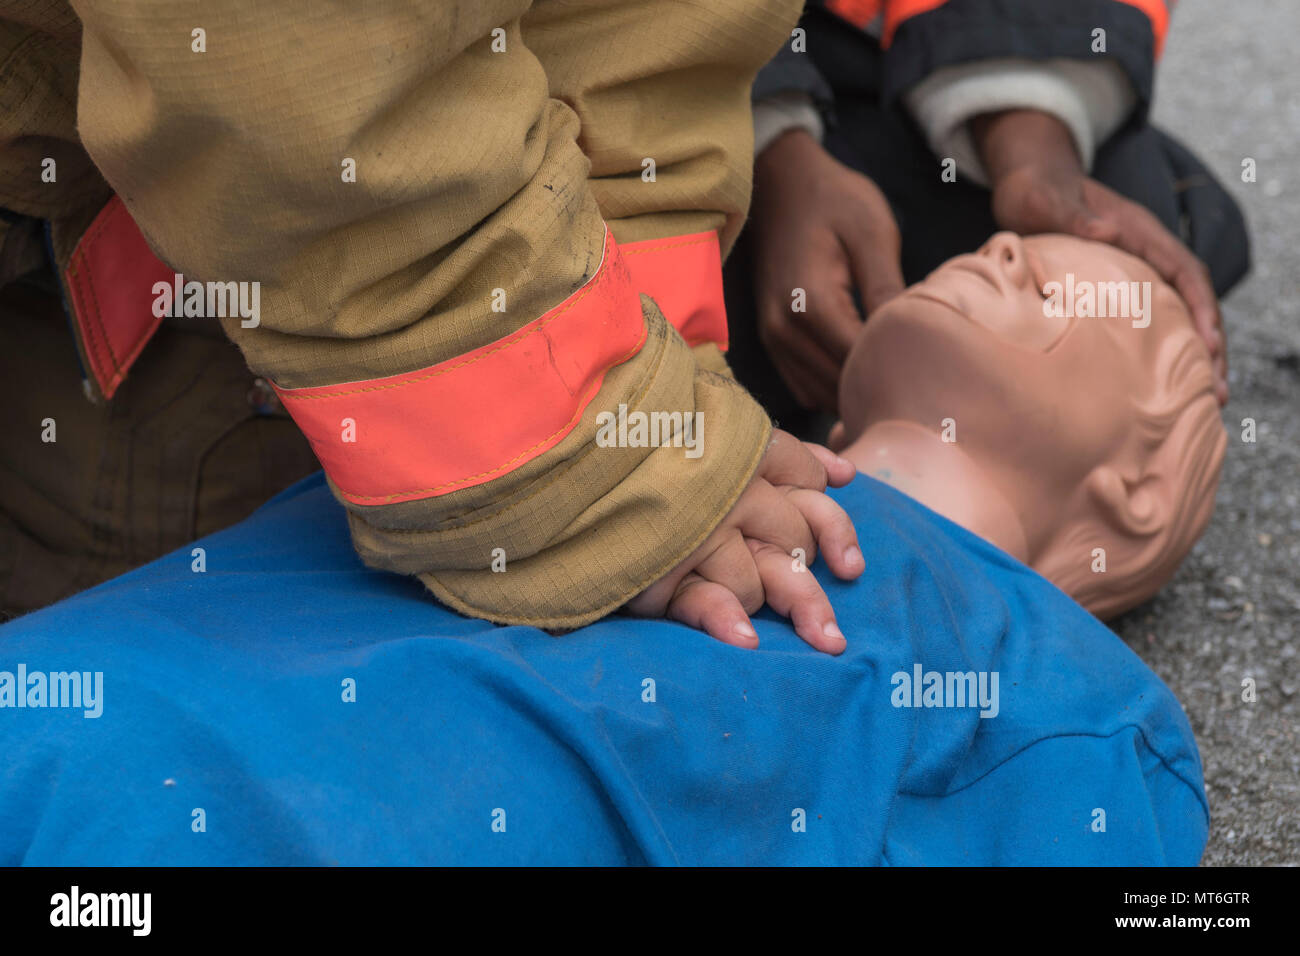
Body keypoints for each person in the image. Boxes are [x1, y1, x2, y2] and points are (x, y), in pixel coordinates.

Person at [0, 0, 863, 650]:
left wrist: (653, 398)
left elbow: (644, 30)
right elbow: (288, 63)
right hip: (222, 293)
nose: (1002, 257)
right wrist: (608, 463)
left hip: (392, 306)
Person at [726, 0, 1250, 435]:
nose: (1006, 248)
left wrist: (1029, 134)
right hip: (695, 84)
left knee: (1130, 233)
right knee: (698, 299)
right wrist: (770, 143)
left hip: (907, 57)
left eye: (1042, 297)